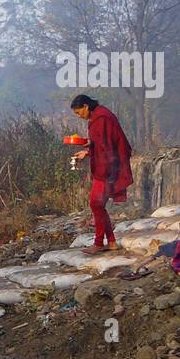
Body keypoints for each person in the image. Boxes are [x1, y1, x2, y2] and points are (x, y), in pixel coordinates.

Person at [70, 94, 132, 254]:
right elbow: (99, 143)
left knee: (95, 203)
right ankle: (111, 242)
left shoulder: (102, 118)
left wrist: (90, 152)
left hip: (107, 168)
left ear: (85, 106)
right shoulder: (98, 116)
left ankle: (98, 243)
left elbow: (106, 147)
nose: (79, 116)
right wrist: (87, 151)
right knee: (99, 206)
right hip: (105, 165)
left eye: (78, 112)